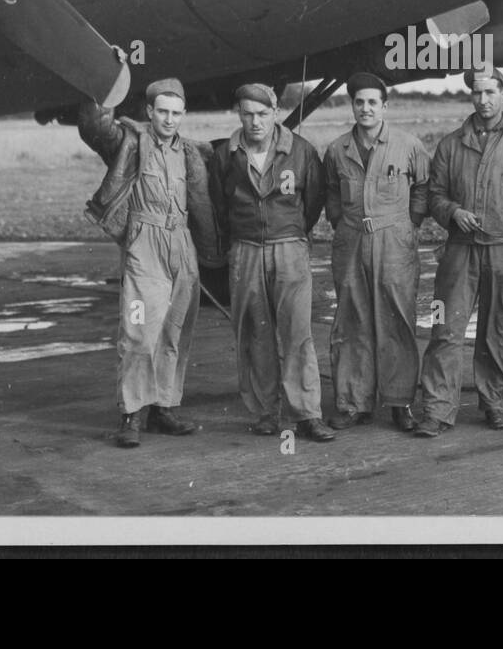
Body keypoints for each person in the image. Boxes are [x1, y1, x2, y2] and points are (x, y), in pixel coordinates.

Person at [79, 76, 222, 449]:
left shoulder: (191, 152)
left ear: (184, 114)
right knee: (140, 331)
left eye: (176, 113)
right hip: (145, 247)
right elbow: (95, 125)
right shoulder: (130, 142)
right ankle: (131, 414)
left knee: (175, 332)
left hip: (182, 245)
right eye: (162, 112)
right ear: (149, 111)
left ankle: (164, 407)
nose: (169, 119)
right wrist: (108, 75)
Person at [415, 67, 503, 437]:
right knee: (445, 330)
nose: (483, 100)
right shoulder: (451, 144)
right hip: (460, 251)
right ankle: (437, 410)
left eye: (490, 92)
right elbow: (434, 195)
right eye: (477, 93)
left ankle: (496, 405)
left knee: (498, 332)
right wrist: (453, 212)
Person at [207, 83, 335, 442]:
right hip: (245, 250)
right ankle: (266, 411)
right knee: (254, 332)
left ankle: (307, 413)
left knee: (298, 333)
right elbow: (220, 204)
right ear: (239, 114)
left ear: (276, 113)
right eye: (247, 114)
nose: (255, 121)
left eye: (263, 114)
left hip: (289, 248)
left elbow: (314, 200)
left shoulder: (300, 151)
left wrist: (291, 231)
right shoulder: (225, 155)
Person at [322, 71, 430, 431]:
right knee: (352, 319)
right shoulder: (338, 149)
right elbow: (332, 195)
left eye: (372, 102)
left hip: (393, 242)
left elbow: (423, 188)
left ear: (385, 106)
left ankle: (400, 403)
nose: (365, 109)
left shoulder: (408, 145)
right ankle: (354, 402)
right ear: (352, 105)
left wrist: (409, 224)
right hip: (352, 240)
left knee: (396, 319)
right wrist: (342, 224)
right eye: (359, 102)